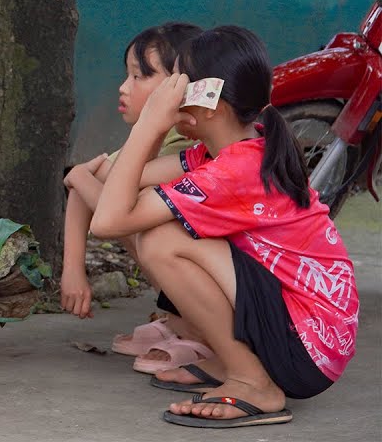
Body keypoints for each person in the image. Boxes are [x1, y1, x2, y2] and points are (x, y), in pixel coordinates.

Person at [89, 26, 358, 428]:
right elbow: (125, 179)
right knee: (165, 228)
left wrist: (150, 124)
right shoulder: (225, 152)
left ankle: (253, 381)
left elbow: (109, 221)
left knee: (162, 240)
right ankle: (232, 361)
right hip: (304, 334)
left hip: (306, 348)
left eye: (179, 86)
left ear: (209, 102)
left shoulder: (233, 171)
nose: (171, 95)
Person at [61, 23, 213, 372]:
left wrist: (81, 177)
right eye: (127, 75)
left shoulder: (189, 146)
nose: (123, 87)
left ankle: (202, 334)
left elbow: (111, 208)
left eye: (139, 76)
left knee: (147, 227)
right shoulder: (149, 142)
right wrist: (73, 271)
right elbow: (96, 187)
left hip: (225, 286)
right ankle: (179, 319)